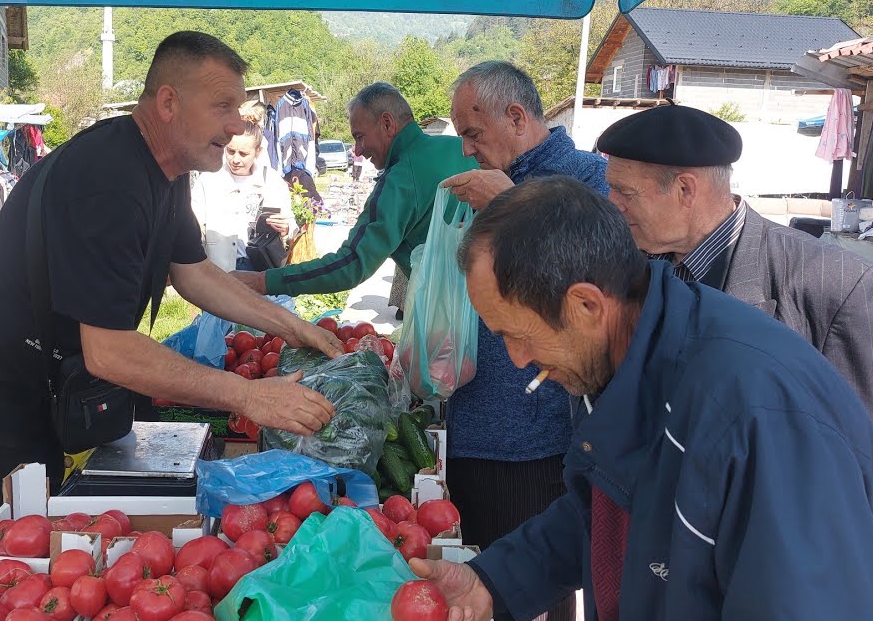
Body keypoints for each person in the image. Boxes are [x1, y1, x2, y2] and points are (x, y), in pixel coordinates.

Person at [409, 177, 873, 621]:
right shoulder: (637, 353)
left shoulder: (749, 410)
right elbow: (606, 510)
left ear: (586, 306)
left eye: (513, 333)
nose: (517, 358)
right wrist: (491, 582)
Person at [0, 31, 340, 524]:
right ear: (168, 102)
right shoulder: (107, 181)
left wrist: (293, 327)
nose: (236, 124)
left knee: (30, 544)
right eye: (222, 106)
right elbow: (109, 350)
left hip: (37, 392)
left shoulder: (164, 170)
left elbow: (194, 273)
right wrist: (248, 396)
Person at [598, 105, 873, 464]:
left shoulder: (839, 283)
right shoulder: (639, 265)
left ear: (685, 189)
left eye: (624, 191)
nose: (613, 204)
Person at [439, 60, 606, 621]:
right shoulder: (482, 184)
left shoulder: (588, 178)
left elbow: (593, 281)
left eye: (472, 133)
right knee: (475, 587)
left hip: (539, 440)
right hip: (471, 422)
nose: (465, 149)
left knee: (535, 592)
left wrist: (510, 201)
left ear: (515, 116)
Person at [231, 82, 476, 296]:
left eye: (359, 137)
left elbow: (352, 264)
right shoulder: (461, 149)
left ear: (387, 124)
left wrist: (265, 280)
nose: (357, 150)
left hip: (449, 315)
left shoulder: (400, 180)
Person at [190, 111, 293, 272]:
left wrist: (285, 228)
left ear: (258, 152)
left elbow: (290, 225)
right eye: (230, 151)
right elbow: (193, 226)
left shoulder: (272, 181)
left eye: (244, 154)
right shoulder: (208, 180)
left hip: (262, 268)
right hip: (220, 270)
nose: (236, 159)